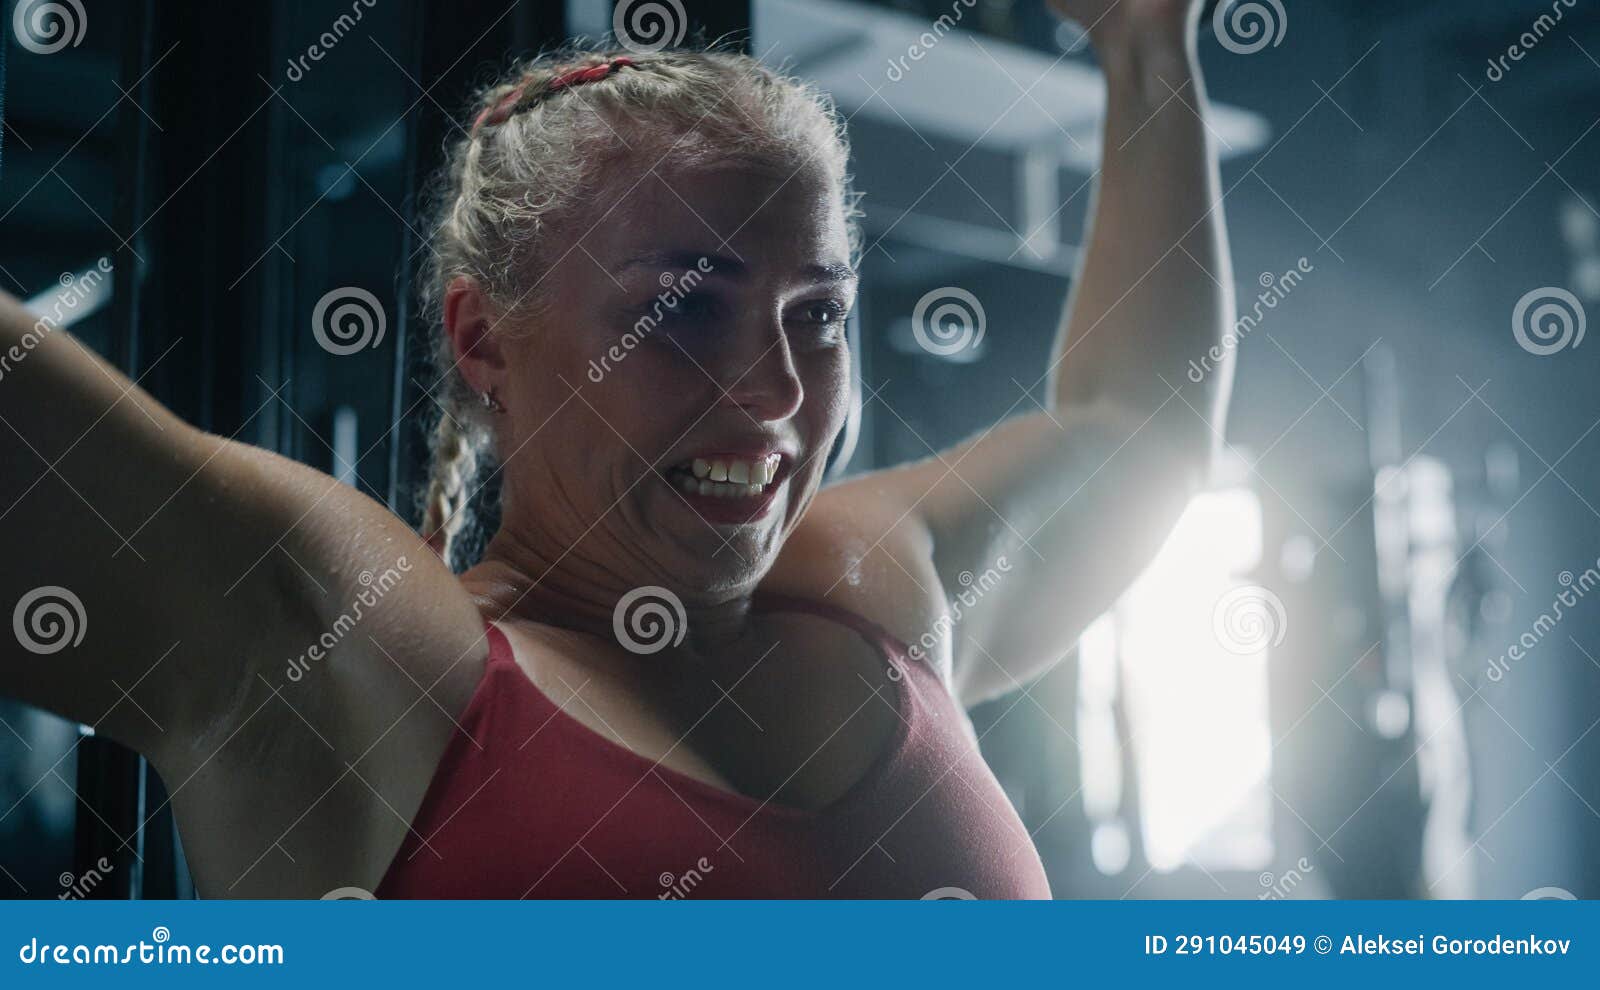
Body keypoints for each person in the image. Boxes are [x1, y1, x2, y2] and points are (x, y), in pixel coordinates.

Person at [0, 0, 1231, 898]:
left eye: (816, 314)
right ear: (484, 340)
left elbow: (1142, 424)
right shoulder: (364, 656)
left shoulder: (877, 596)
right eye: (684, 306)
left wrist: (1144, 41)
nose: (777, 390)